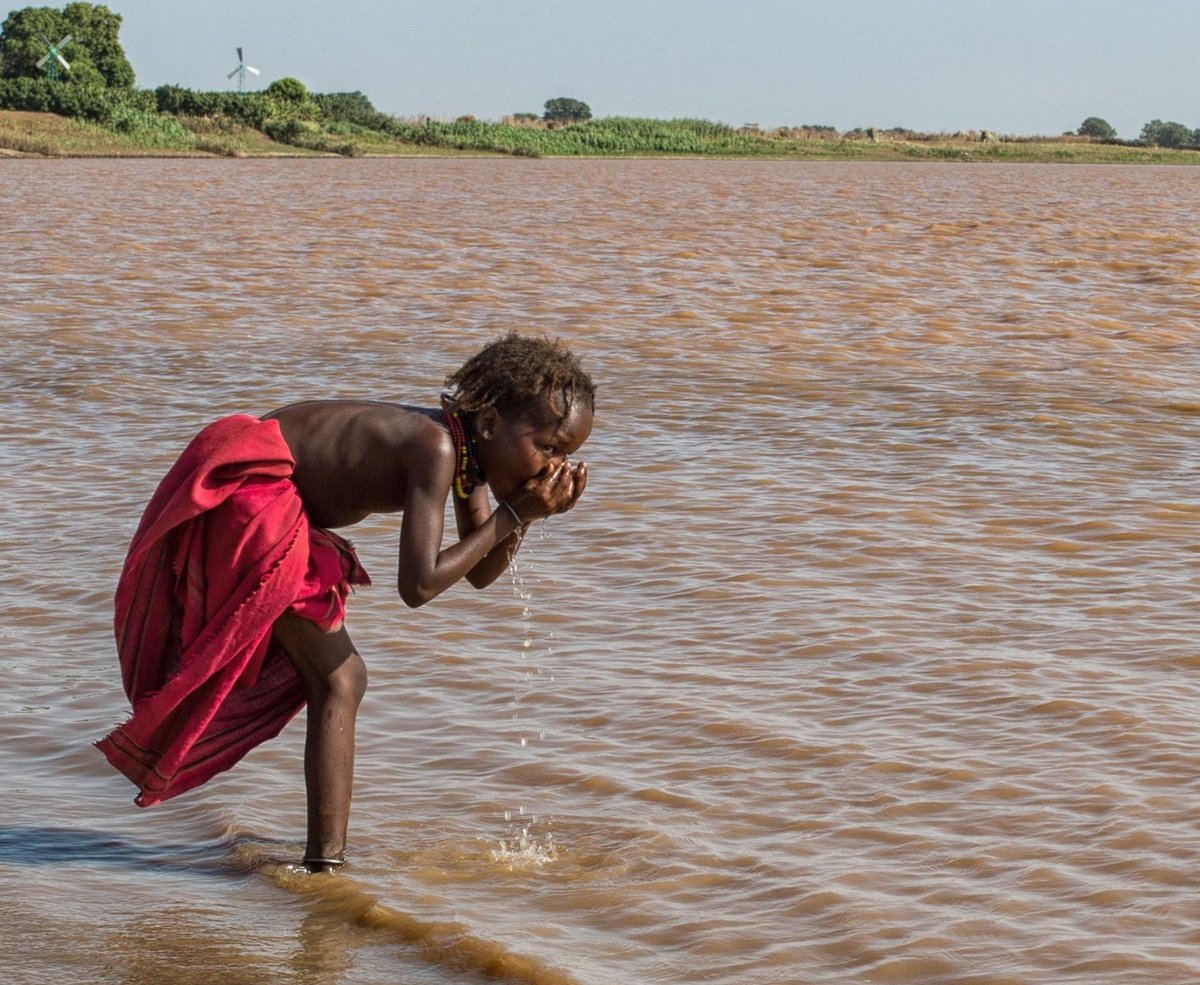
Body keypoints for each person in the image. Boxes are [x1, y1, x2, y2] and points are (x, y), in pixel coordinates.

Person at [97, 332, 594, 872]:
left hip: (283, 506)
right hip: (255, 495)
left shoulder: (467, 454)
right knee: (341, 678)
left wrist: (527, 513)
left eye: (566, 455)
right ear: (492, 422)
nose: (553, 466)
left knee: (338, 679)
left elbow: (479, 574)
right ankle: (325, 866)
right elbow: (419, 586)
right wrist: (515, 513)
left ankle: (323, 858)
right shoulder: (438, 448)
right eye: (547, 447)